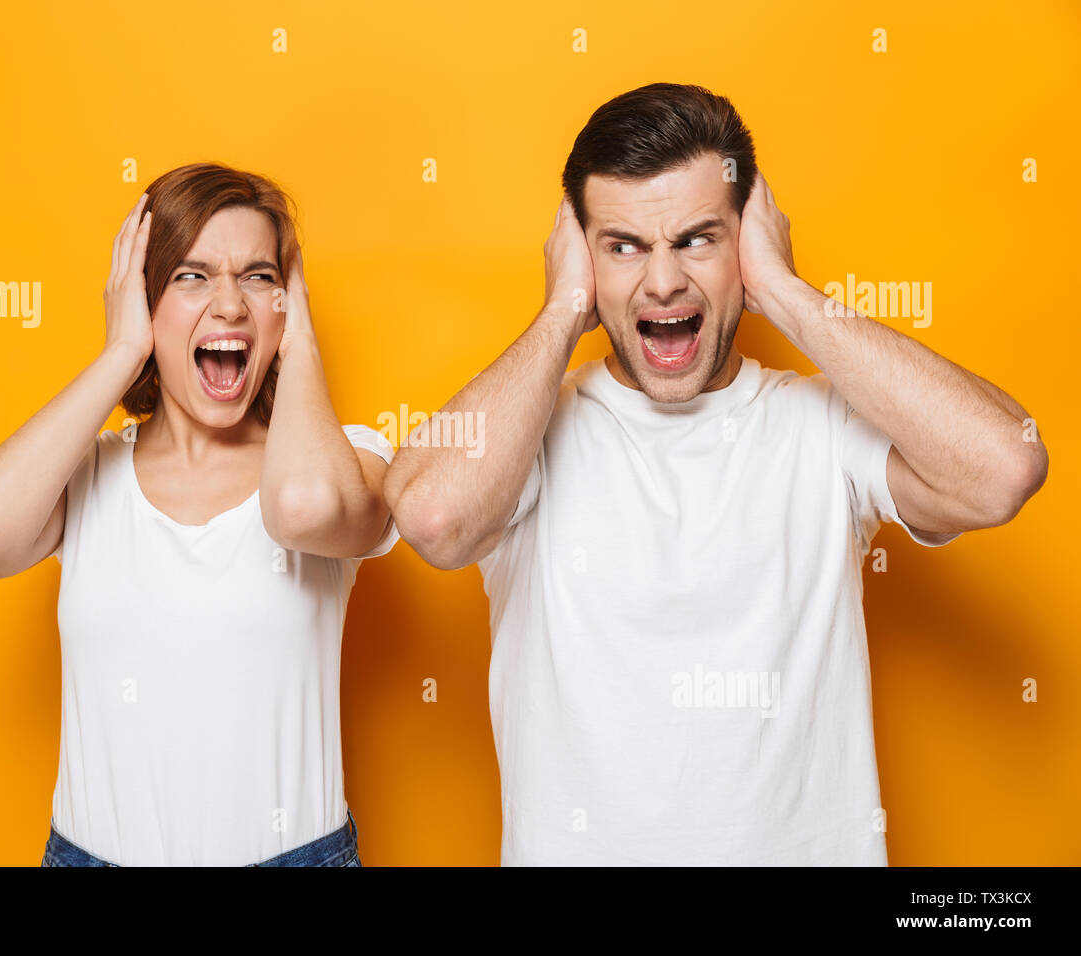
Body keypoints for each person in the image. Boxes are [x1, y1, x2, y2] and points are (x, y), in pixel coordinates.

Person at [383, 83, 1048, 865]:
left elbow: (1006, 466)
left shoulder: (821, 427)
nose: (662, 283)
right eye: (623, 245)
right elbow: (432, 517)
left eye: (698, 239)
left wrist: (788, 294)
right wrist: (563, 307)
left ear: (748, 242)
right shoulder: (528, 438)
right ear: (580, 254)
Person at [0, 162, 396, 866]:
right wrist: (122, 351)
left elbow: (304, 508)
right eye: (191, 276)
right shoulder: (87, 476)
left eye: (258, 277)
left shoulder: (347, 462)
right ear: (142, 297)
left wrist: (300, 339)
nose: (230, 307)